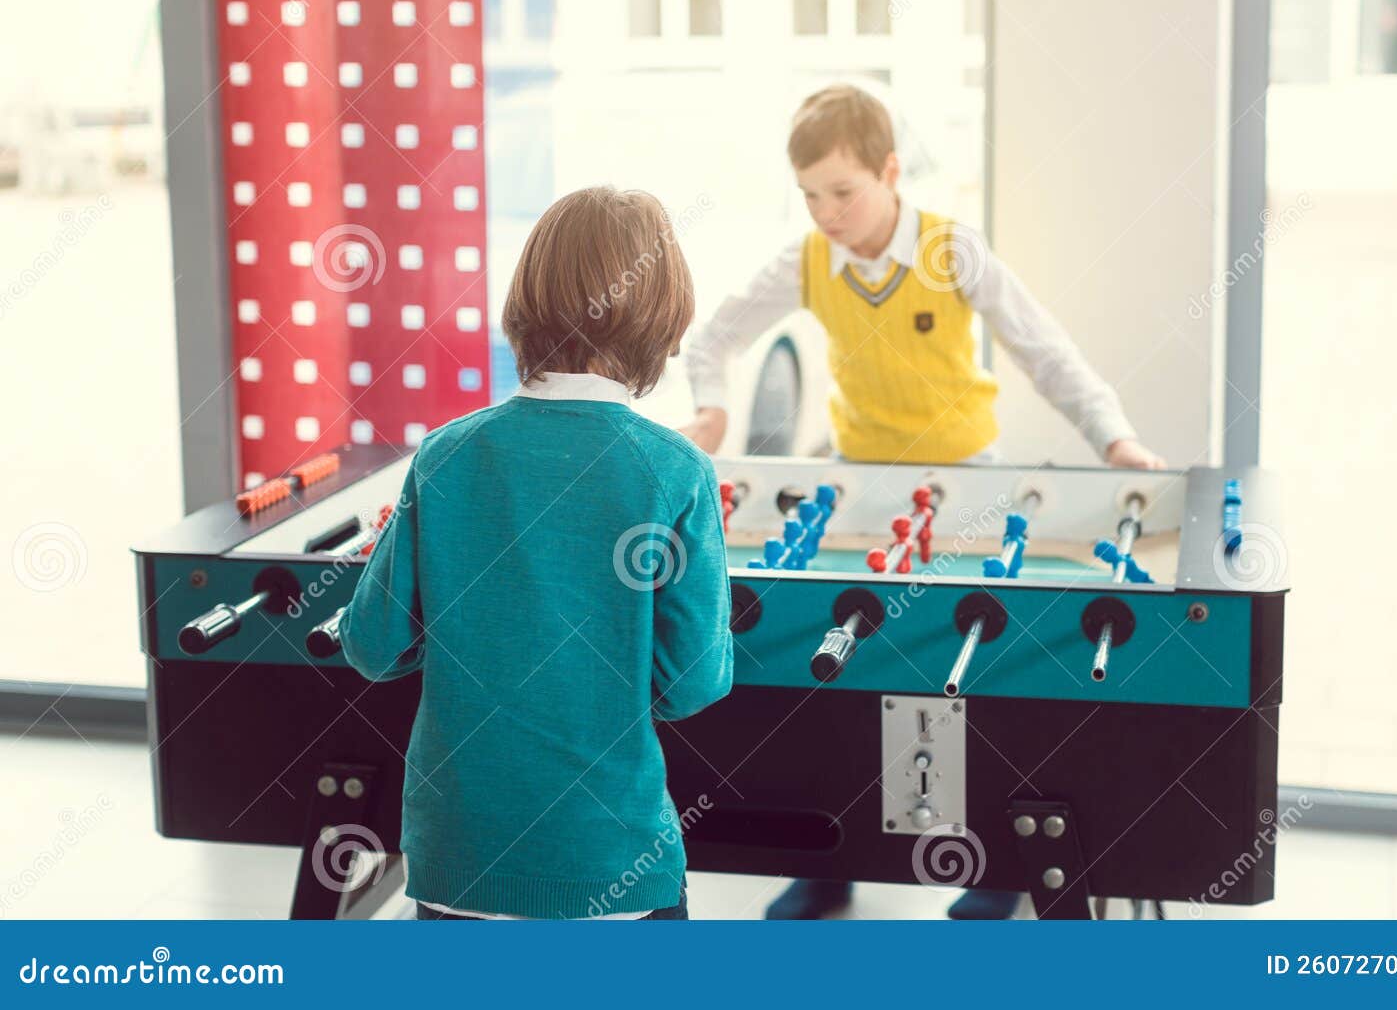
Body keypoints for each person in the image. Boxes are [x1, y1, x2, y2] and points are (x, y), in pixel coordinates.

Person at [680, 84, 1163, 920]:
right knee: (837, 681)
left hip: (968, 487)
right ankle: (828, 860)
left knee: (969, 679)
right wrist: (711, 405)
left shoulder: (952, 250)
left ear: (890, 171)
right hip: (860, 489)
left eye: (842, 191)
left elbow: (1046, 351)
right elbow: (711, 335)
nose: (825, 212)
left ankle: (998, 867)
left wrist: (1114, 439)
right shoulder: (804, 261)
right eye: (808, 195)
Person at [344, 186, 734, 920]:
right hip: (614, 867)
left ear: (525, 305)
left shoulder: (445, 456)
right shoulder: (677, 470)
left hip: (458, 867)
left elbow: (370, 644)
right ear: (665, 323)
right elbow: (692, 683)